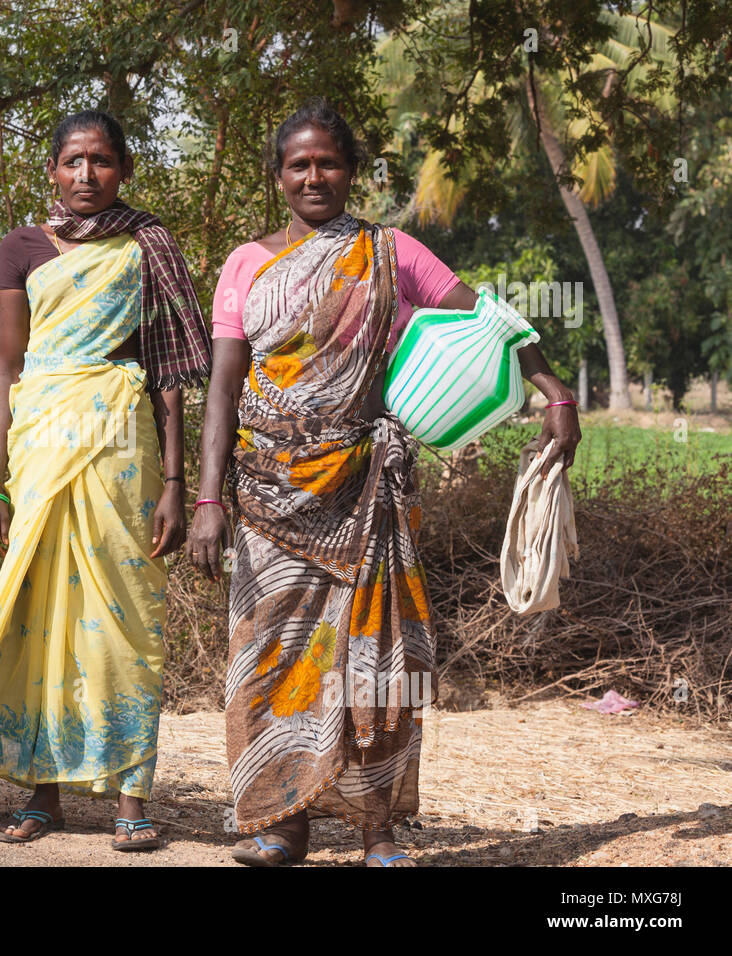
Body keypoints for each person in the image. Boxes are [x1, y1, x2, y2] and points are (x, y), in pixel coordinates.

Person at [186, 98, 581, 867]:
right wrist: (207, 498)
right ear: (276, 176)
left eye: (328, 162)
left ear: (351, 171)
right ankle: (282, 821)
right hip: (267, 493)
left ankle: (378, 829)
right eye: (298, 164)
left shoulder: (391, 251)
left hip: (365, 487)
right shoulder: (246, 262)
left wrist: (553, 389)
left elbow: (488, 317)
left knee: (376, 656)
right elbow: (221, 391)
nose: (313, 176)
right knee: (271, 656)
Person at [0, 110, 212, 852]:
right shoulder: (20, 247)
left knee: (126, 617)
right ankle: (41, 794)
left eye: (102, 161)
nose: (87, 176)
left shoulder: (149, 246)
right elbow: (11, 368)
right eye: (73, 161)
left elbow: (172, 378)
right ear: (51, 170)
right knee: (35, 613)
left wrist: (176, 483)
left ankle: (130, 797)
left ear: (125, 169)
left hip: (120, 443)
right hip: (43, 440)